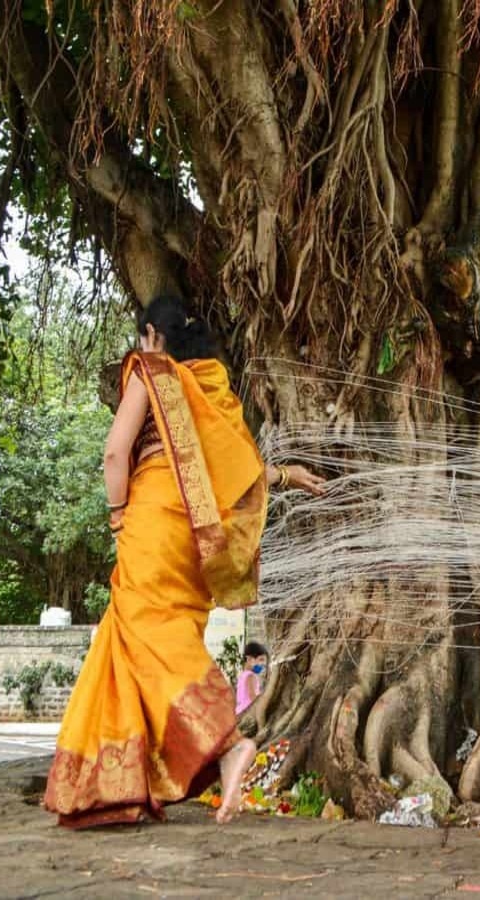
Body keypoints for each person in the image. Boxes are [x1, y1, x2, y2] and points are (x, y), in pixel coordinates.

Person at [44, 295, 312, 828]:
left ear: (151, 335)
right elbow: (241, 474)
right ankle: (118, 784)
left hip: (151, 519)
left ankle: (229, 743)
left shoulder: (151, 371)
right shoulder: (210, 391)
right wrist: (287, 476)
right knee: (132, 638)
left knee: (150, 631)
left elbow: (116, 453)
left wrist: (118, 514)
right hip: (191, 531)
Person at [236, 641, 269, 715]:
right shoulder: (251, 676)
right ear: (249, 659)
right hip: (247, 713)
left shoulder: (242, 675)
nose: (263, 664)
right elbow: (253, 697)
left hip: (239, 711)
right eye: (261, 659)